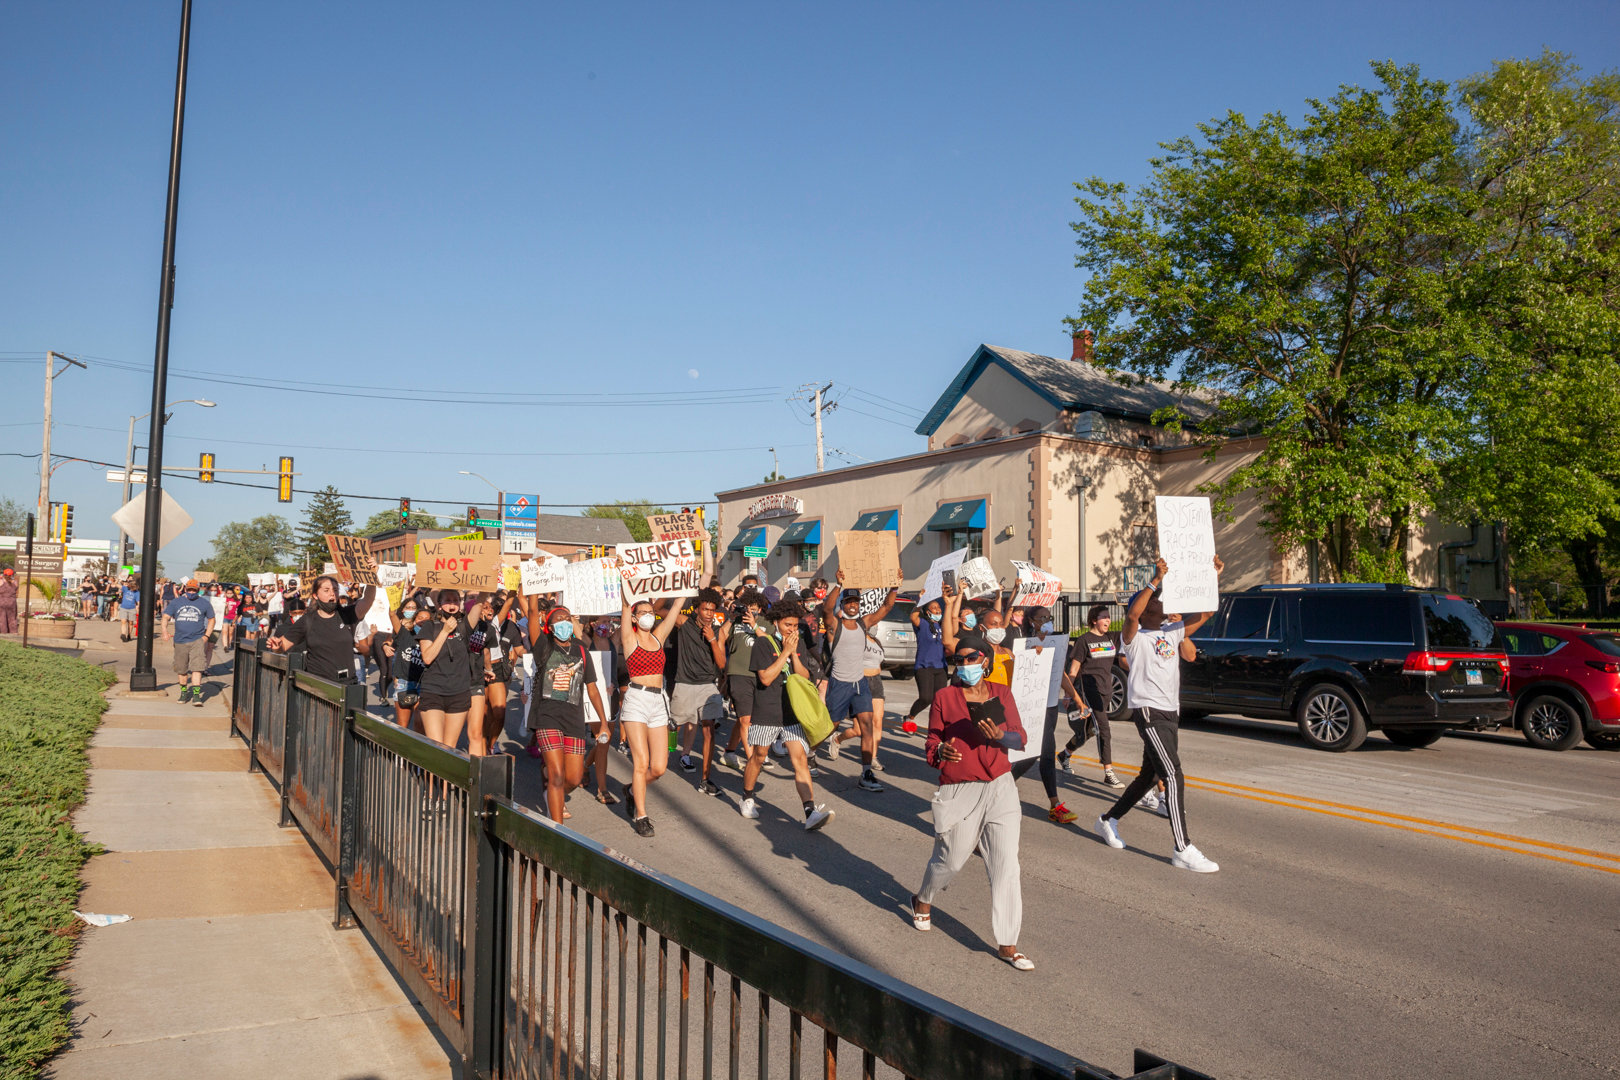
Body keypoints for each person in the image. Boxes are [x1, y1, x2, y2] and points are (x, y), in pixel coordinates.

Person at [1094, 555, 1224, 873]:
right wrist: (1154, 579)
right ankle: (1183, 848)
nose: (1161, 608)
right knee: (1172, 773)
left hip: (1171, 712)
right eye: (1156, 604)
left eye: (1161, 605)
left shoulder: (1173, 631)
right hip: (1148, 711)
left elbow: (1207, 611)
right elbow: (1134, 613)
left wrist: (1212, 576)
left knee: (1149, 775)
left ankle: (1108, 820)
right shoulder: (1133, 637)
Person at [909, 644, 1032, 970]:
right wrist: (940, 753)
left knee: (1007, 865)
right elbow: (932, 741)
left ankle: (1008, 944)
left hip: (1001, 787)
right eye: (959, 660)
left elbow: (1020, 738)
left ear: (985, 661)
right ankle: (923, 899)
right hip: (959, 788)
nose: (965, 665)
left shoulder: (1001, 693)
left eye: (971, 659)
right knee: (950, 859)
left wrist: (1001, 736)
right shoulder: (945, 698)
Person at [739, 596, 833, 830]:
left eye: (794, 625)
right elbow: (765, 677)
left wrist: (793, 653)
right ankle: (747, 796)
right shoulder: (764, 644)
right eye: (787, 625)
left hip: (792, 710)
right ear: (777, 622)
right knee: (759, 756)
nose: (791, 629)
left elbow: (803, 677)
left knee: (799, 759)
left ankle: (810, 810)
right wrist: (784, 652)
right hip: (767, 709)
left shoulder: (797, 644)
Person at [525, 602, 611, 822]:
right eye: (558, 619)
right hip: (547, 717)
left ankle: (551, 795)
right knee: (556, 776)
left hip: (573, 719)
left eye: (567, 618)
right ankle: (558, 830)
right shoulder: (544, 645)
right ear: (550, 627)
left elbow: (592, 688)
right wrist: (532, 585)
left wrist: (603, 722)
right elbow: (532, 613)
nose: (564, 622)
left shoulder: (581, 649)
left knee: (573, 778)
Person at [820, 570, 897, 793]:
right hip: (840, 683)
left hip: (860, 684)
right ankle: (812, 751)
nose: (853, 605)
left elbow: (886, 608)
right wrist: (838, 585)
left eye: (856, 601)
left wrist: (894, 588)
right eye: (849, 601)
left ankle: (865, 772)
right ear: (843, 604)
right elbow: (826, 608)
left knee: (867, 728)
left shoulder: (863, 623)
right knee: (830, 726)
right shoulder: (836, 625)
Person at [617, 593, 681, 837]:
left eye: (650, 611)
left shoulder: (658, 636)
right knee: (641, 762)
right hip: (636, 699)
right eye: (642, 612)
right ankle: (641, 815)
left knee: (659, 767)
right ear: (634, 617)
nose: (647, 616)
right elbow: (625, 605)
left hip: (658, 700)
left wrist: (684, 579)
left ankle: (632, 790)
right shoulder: (630, 638)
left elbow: (677, 605)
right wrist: (625, 583)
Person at [1059, 605, 1126, 788]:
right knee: (1104, 729)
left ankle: (1064, 754)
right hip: (1088, 691)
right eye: (1104, 617)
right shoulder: (1084, 640)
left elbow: (1130, 629)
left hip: (1106, 691)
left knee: (1085, 733)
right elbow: (1073, 670)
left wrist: (1129, 607)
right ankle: (1108, 772)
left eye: (1109, 617)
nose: (1108, 620)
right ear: (1094, 620)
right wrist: (1068, 694)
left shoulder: (1111, 638)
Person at [672, 588, 729, 796]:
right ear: (696, 609)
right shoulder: (683, 623)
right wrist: (677, 590)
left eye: (712, 610)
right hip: (684, 683)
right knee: (674, 727)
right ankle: (659, 761)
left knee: (709, 731)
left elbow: (721, 663)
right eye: (705, 609)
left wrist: (713, 638)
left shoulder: (718, 630)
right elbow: (658, 608)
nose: (708, 614)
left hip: (707, 685)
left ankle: (705, 779)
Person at [264, 576, 362, 683]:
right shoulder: (307, 620)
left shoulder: (346, 614)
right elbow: (283, 645)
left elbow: (367, 602)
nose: (332, 593)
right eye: (326, 590)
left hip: (348, 684)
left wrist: (372, 579)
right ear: (315, 595)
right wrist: (277, 646)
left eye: (335, 590)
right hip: (318, 687)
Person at [414, 589, 474, 752]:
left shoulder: (465, 626)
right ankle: (431, 778)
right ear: (439, 605)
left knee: (449, 749)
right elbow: (427, 658)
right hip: (433, 692)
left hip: (459, 693)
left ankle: (443, 779)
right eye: (447, 601)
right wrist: (445, 631)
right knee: (436, 748)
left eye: (456, 600)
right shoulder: (429, 626)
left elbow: (480, 602)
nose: (452, 604)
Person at [162, 579, 216, 705]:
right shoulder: (177, 602)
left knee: (197, 668)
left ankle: (197, 696)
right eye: (189, 589)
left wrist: (206, 636)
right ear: (185, 589)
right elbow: (165, 616)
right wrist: (164, 630)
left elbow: (212, 619)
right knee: (182, 669)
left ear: (198, 590)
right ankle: (184, 693)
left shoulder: (204, 603)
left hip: (197, 639)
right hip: (180, 640)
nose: (191, 592)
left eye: (194, 590)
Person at [904, 597, 948, 735]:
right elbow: (913, 616)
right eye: (934, 608)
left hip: (941, 667)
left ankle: (936, 730)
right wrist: (919, 601)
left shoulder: (942, 625)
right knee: (926, 698)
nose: (938, 610)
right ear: (927, 612)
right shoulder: (922, 624)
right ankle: (910, 717)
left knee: (939, 702)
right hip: (924, 667)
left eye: (939, 608)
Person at [0, 567, 19, 635]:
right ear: (12, 575)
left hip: (1, 602)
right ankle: (14, 632)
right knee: (12, 618)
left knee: (2, 617)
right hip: (12, 602)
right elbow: (15, 588)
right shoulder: (15, 582)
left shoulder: (1, 581)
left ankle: (3, 632)